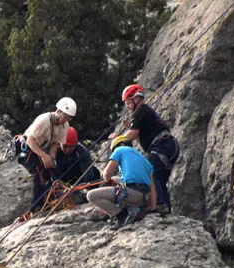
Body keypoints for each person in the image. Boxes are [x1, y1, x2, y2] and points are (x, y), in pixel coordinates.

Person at [111, 84, 180, 212]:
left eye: (128, 102)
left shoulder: (140, 111)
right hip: (169, 145)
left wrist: (118, 138)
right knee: (159, 177)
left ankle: (159, 204)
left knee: (149, 171)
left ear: (136, 99)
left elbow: (132, 134)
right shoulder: (146, 112)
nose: (127, 106)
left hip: (162, 146)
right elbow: (140, 135)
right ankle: (165, 206)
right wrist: (129, 128)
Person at [14, 97, 77, 210]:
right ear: (58, 112)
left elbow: (56, 143)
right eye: (64, 117)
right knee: (40, 173)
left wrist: (51, 157)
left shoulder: (64, 126)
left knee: (53, 171)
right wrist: (44, 156)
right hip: (28, 148)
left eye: (68, 119)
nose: (65, 120)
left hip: (42, 149)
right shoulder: (44, 120)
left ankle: (48, 201)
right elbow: (30, 140)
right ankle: (35, 206)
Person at [86, 138, 157, 225]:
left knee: (91, 195)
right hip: (144, 198)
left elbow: (106, 174)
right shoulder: (145, 160)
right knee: (116, 179)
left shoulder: (120, 149)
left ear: (121, 145)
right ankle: (132, 209)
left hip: (131, 193)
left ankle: (120, 214)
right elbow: (153, 188)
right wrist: (153, 208)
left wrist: (108, 182)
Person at [53, 126, 100, 204]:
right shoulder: (54, 151)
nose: (68, 150)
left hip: (78, 177)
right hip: (62, 178)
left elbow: (88, 171)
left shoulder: (81, 151)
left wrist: (83, 186)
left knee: (95, 171)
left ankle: (85, 194)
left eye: (71, 146)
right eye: (65, 146)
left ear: (75, 144)